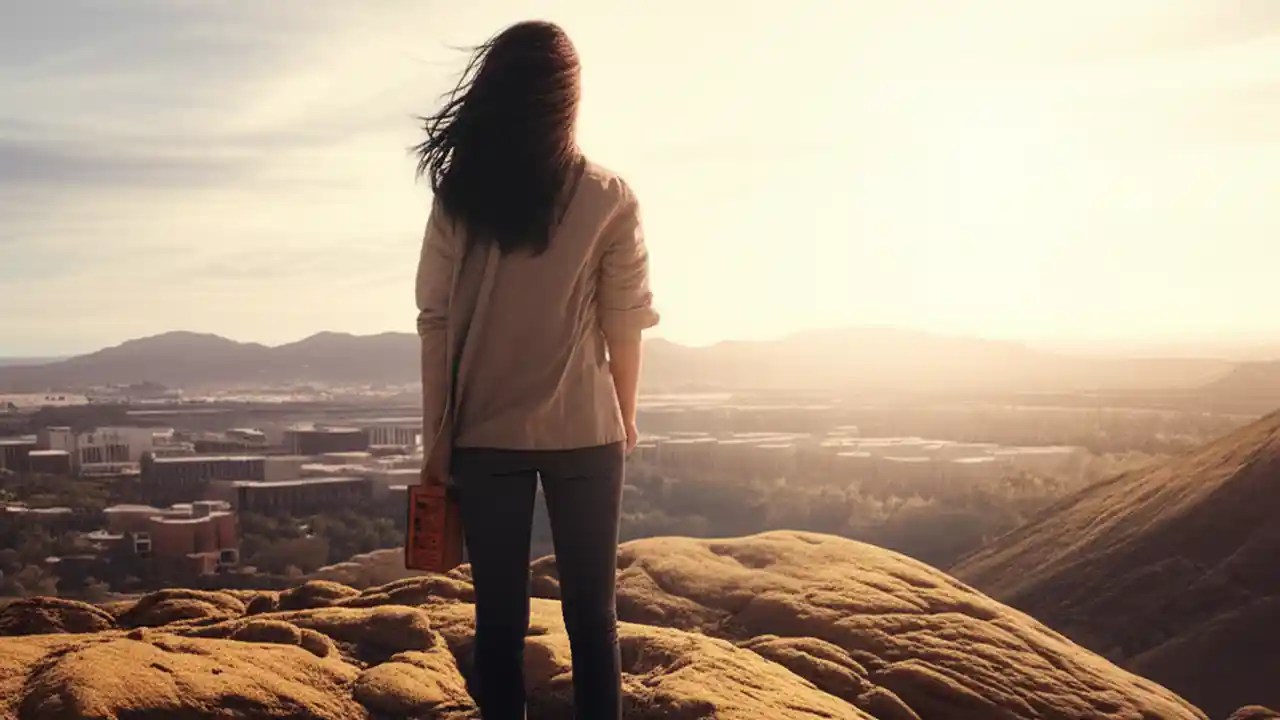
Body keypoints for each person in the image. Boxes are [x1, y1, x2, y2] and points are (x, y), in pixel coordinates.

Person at [412, 20, 659, 720]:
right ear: (566, 100)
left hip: (485, 433)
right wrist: (627, 413)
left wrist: (436, 441)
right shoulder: (609, 196)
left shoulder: (459, 196)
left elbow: (434, 322)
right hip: (586, 429)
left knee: (497, 622)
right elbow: (625, 320)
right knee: (592, 616)